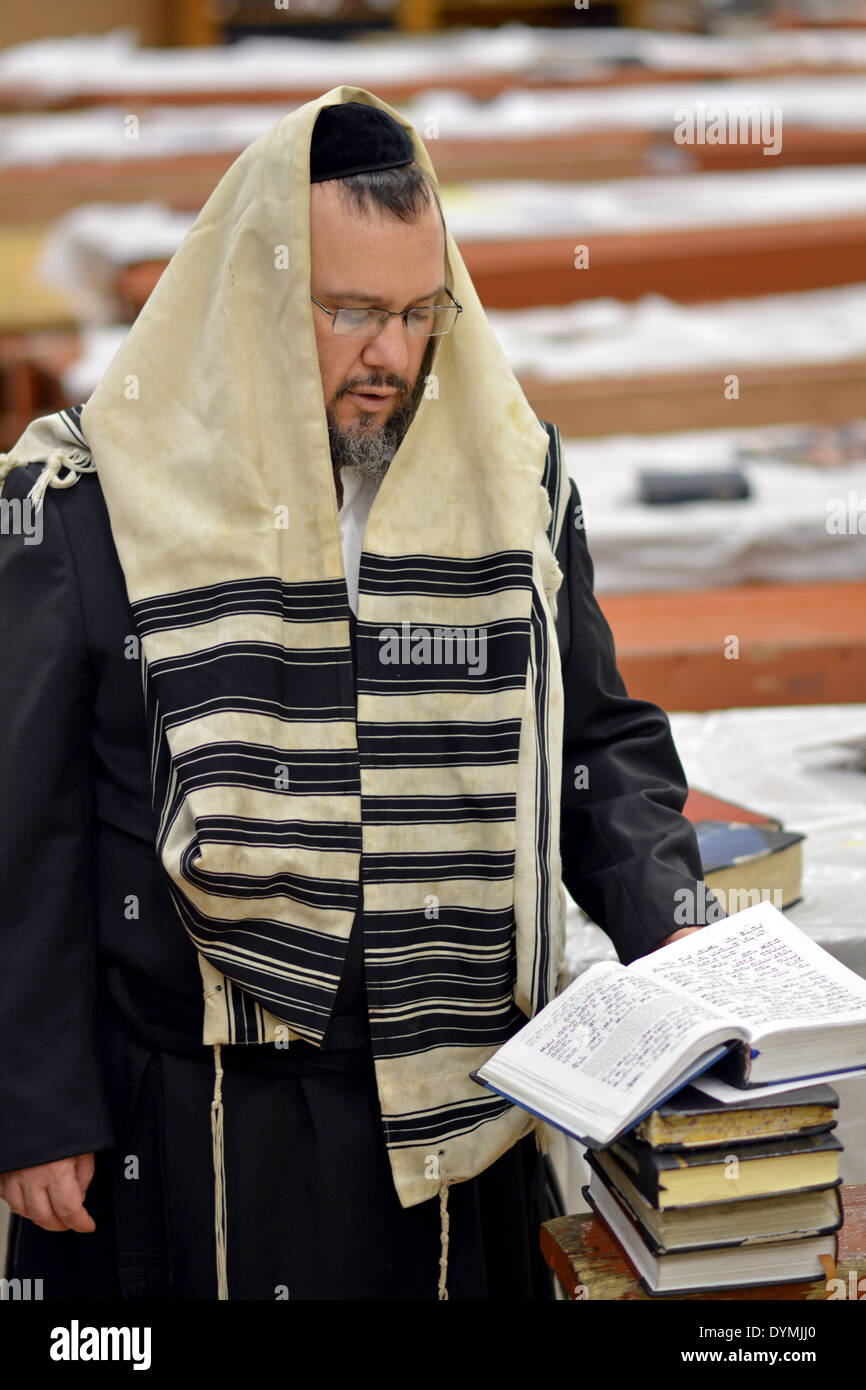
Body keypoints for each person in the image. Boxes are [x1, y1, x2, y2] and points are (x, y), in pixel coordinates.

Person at [0, 92, 712, 1302]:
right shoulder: (86, 496)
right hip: (192, 1115)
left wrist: (680, 931)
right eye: (348, 314)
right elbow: (25, 821)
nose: (389, 355)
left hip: (457, 1113)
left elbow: (596, 741)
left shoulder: (511, 483)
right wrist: (32, 1096)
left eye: (415, 313)